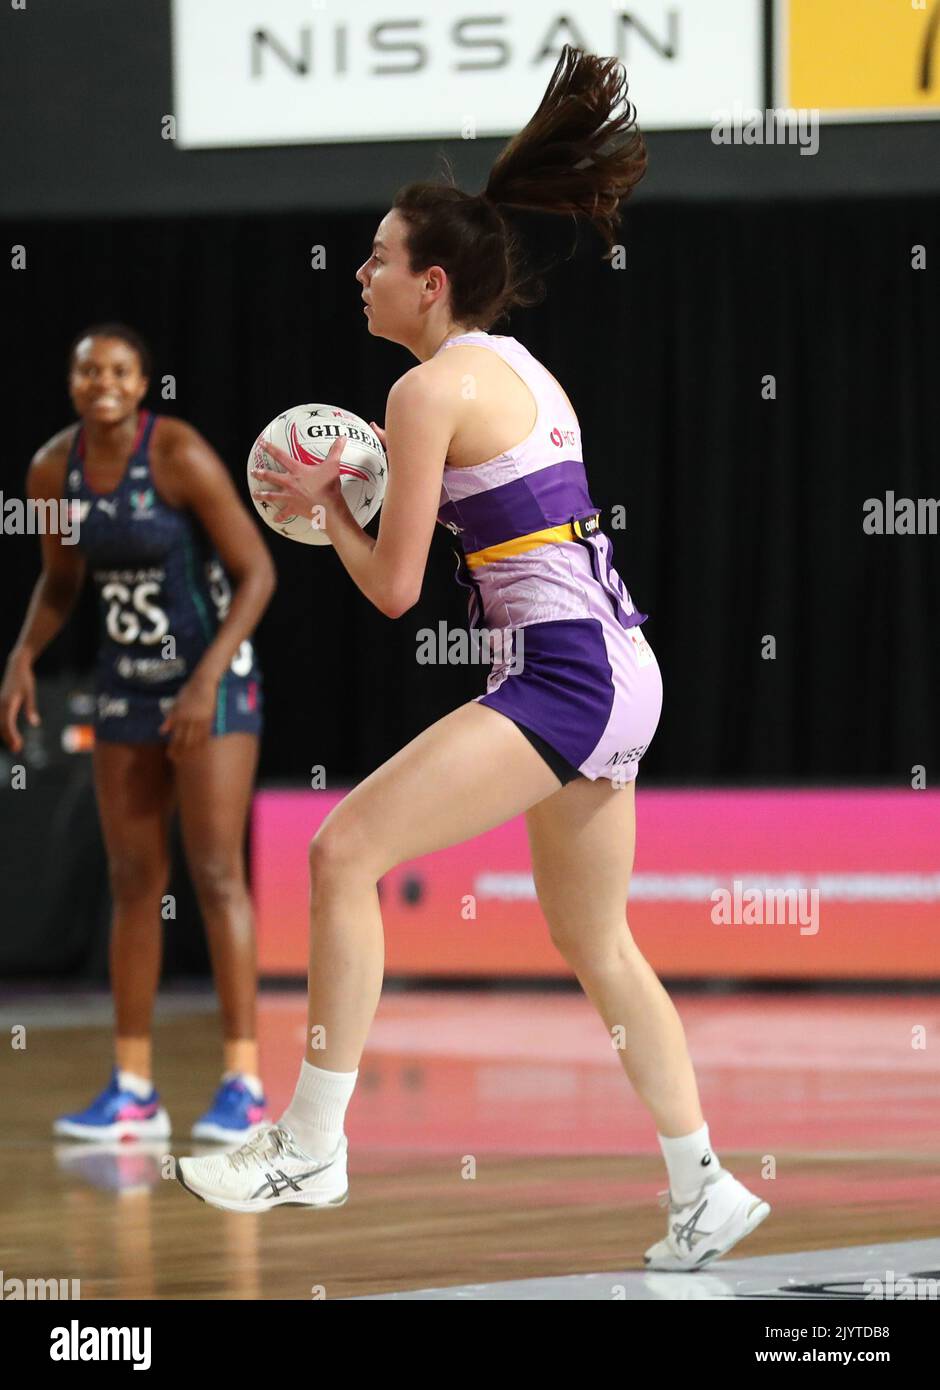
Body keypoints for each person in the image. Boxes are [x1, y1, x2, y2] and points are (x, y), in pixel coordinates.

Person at [178, 47, 770, 1271]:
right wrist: (368, 493)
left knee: (343, 850)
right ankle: (703, 1185)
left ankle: (313, 1142)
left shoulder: (428, 389)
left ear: (429, 281)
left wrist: (327, 511)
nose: (359, 273)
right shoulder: (518, 370)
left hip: (566, 673)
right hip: (617, 664)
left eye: (378, 257)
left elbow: (394, 593)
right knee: (595, 942)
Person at [0, 324, 277, 1145]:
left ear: (143, 383)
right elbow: (59, 579)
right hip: (126, 685)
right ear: (73, 381)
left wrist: (204, 679)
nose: (102, 382)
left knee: (217, 874)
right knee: (131, 877)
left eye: (118, 370)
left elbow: (258, 571)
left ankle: (244, 1083)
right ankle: (132, 1089)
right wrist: (22, 655)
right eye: (88, 370)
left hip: (212, 681)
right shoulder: (54, 469)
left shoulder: (180, 454)